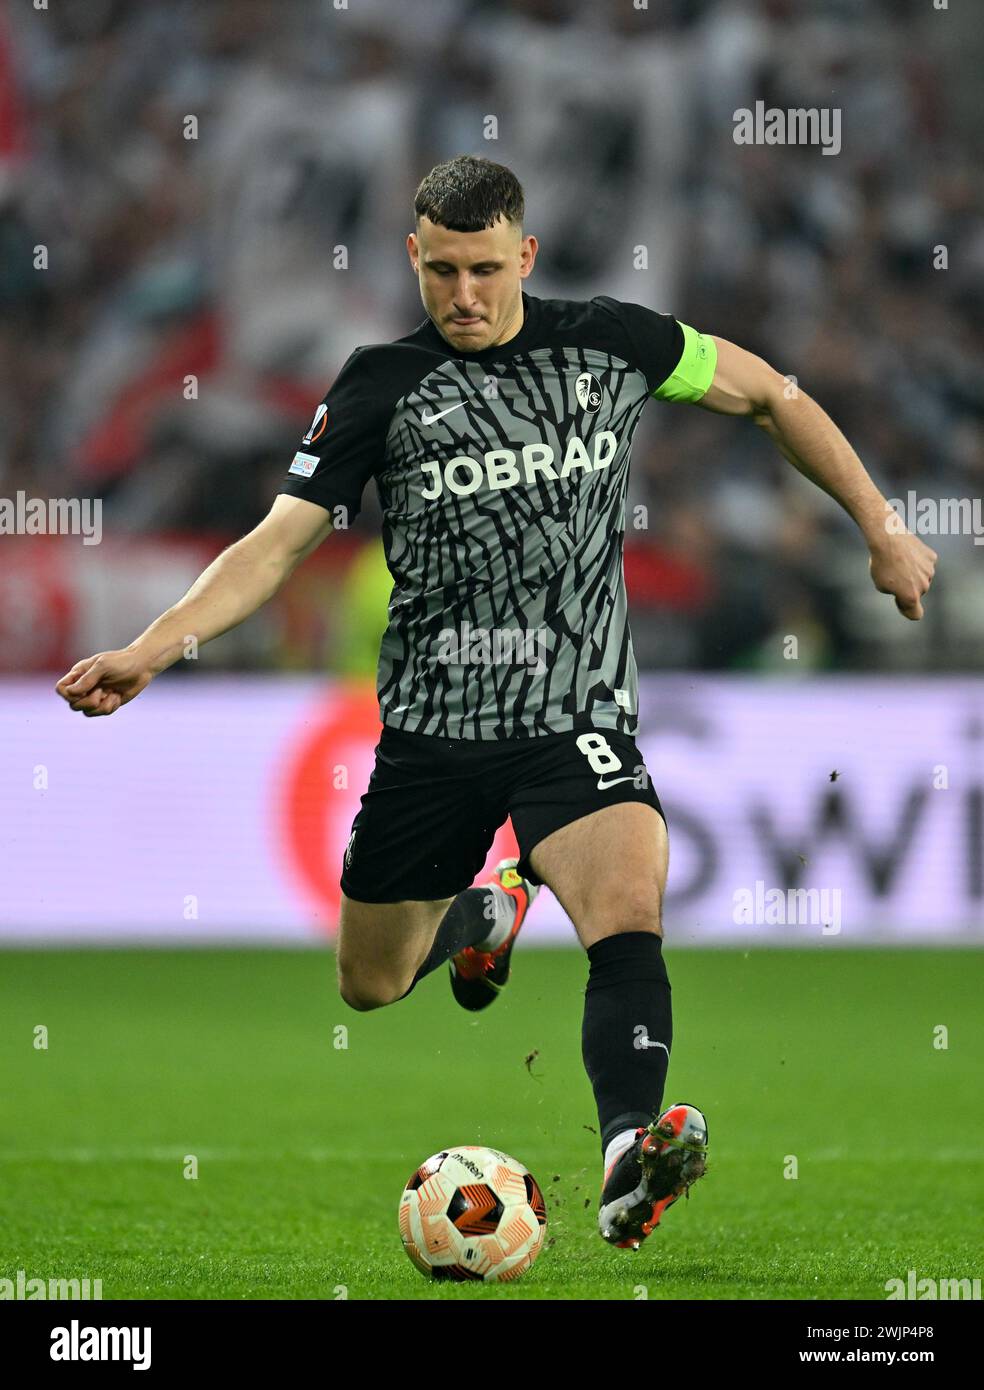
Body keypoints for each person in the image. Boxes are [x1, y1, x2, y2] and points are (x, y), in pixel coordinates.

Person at [55, 155, 937, 1250]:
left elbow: (772, 394)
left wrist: (882, 524)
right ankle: (479, 914)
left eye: (483, 269)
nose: (463, 296)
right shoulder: (379, 383)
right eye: (441, 273)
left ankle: (628, 1150)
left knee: (626, 911)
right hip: (434, 736)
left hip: (578, 718)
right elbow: (277, 541)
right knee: (369, 984)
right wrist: (153, 647)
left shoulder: (615, 341)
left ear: (524, 255)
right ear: (412, 260)